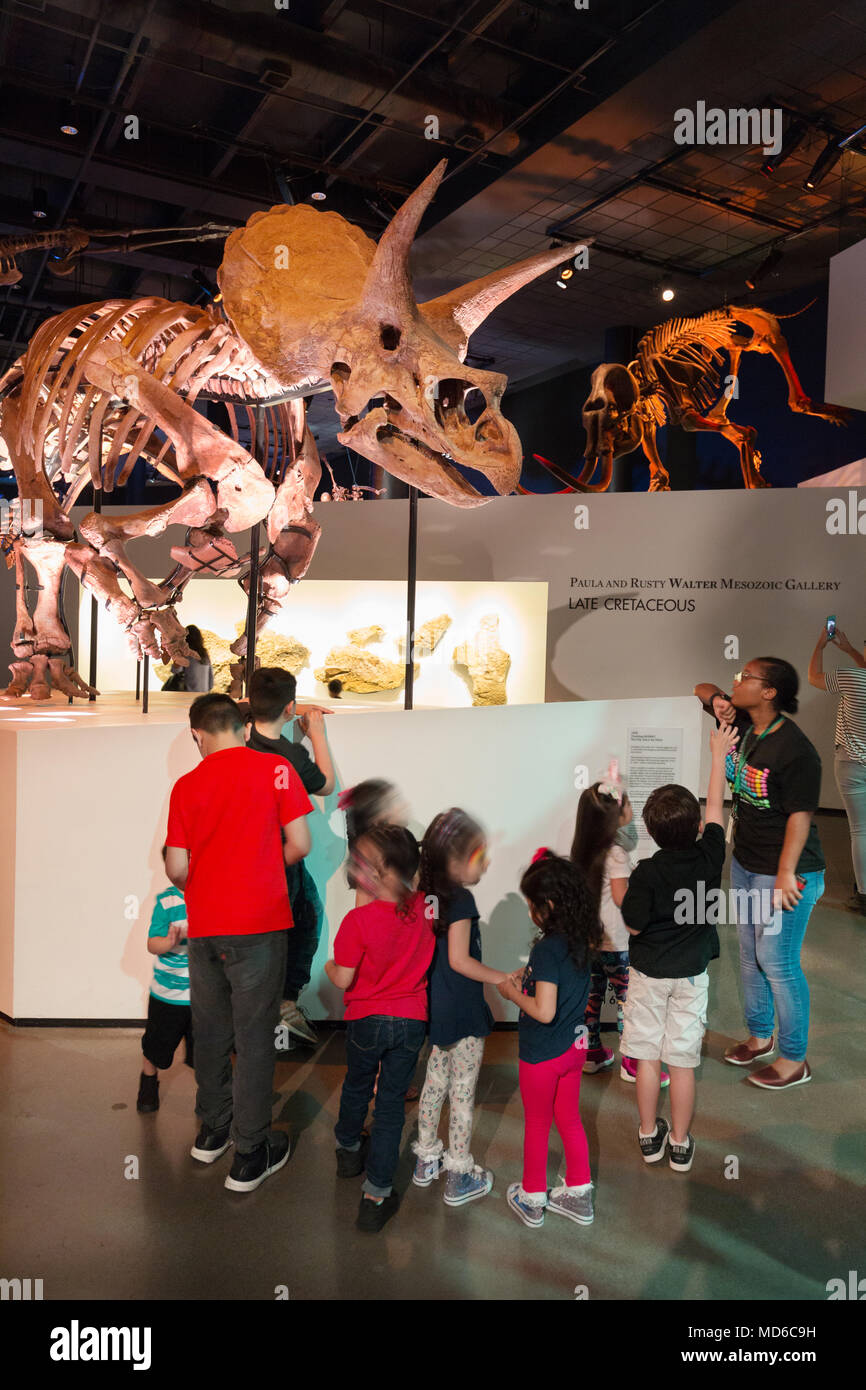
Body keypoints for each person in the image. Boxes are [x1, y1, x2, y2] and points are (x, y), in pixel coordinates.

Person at [165, 694, 313, 1192]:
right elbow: (300, 845)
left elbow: (177, 867)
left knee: (210, 1032)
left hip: (206, 925)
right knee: (255, 1040)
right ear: (242, 727)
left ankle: (212, 1132)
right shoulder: (276, 771)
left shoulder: (186, 786)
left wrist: (208, 886)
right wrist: (264, 870)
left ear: (197, 735)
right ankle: (250, 1154)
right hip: (261, 924)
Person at [694, 658, 825, 1089]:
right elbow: (701, 684)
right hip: (747, 862)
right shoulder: (744, 721)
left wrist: (786, 872)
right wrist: (718, 700)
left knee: (777, 961)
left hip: (786, 872)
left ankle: (794, 1058)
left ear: (769, 692)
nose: (737, 681)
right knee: (749, 955)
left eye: (746, 677)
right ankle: (760, 1035)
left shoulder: (796, 750)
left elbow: (800, 817)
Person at [620, 724, 736, 1172]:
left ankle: (650, 1135)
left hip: (649, 976)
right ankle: (682, 1143)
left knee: (648, 1057)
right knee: (683, 1063)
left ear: (650, 829)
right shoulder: (710, 856)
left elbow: (632, 924)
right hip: (692, 975)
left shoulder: (646, 872)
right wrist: (718, 755)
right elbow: (715, 807)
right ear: (696, 827)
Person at [325, 825, 434, 1233]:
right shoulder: (427, 910)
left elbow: (343, 979)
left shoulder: (357, 921)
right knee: (389, 1107)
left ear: (382, 874)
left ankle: (349, 1151)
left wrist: (328, 967)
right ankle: (376, 1195)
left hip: (365, 1022)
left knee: (356, 1085)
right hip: (410, 1022)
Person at [497, 851, 598, 1230]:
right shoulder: (582, 938)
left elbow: (543, 1011)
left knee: (537, 1123)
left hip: (542, 1054)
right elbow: (559, 980)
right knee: (569, 1117)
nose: (529, 912)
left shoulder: (546, 948)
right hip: (574, 1050)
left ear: (550, 906)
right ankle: (578, 1192)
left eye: (531, 906)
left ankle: (532, 1197)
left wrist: (512, 994)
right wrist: (527, 972)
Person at [412, 810, 507, 1206]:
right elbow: (459, 960)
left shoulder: (427, 894)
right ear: (454, 859)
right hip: (464, 1011)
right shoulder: (462, 899)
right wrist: (502, 977)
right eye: (478, 854)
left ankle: (426, 1161)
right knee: (463, 1093)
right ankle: (459, 1173)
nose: (485, 862)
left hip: (436, 1008)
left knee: (435, 1085)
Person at [247, 667, 335, 1044]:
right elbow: (327, 785)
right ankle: (285, 1000)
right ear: (289, 708)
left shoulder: (239, 740)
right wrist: (315, 731)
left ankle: (262, 1008)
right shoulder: (289, 754)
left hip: (249, 855)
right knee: (304, 922)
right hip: (284, 857)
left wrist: (282, 708)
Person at [570, 775, 670, 1090]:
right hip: (617, 942)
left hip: (591, 940)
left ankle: (590, 1053)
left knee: (593, 995)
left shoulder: (583, 849)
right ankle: (633, 1061)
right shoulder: (616, 853)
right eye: (626, 802)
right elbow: (620, 898)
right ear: (615, 816)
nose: (630, 806)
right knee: (630, 1000)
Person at [808, 623, 866, 916]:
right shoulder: (857, 674)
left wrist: (821, 645)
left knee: (860, 830)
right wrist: (852, 650)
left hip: (852, 764)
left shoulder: (852, 677)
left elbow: (813, 677)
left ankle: (864, 894)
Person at [136, 847, 193, 1114]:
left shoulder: (212, 896)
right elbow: (152, 943)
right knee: (156, 1045)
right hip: (167, 995)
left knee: (207, 1050)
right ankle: (148, 1082)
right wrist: (168, 942)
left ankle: (212, 1098)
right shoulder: (166, 902)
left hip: (204, 996)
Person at [165, 625, 213, 693]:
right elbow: (211, 682)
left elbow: (175, 670)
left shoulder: (184, 654)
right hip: (203, 694)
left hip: (187, 694)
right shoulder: (204, 655)